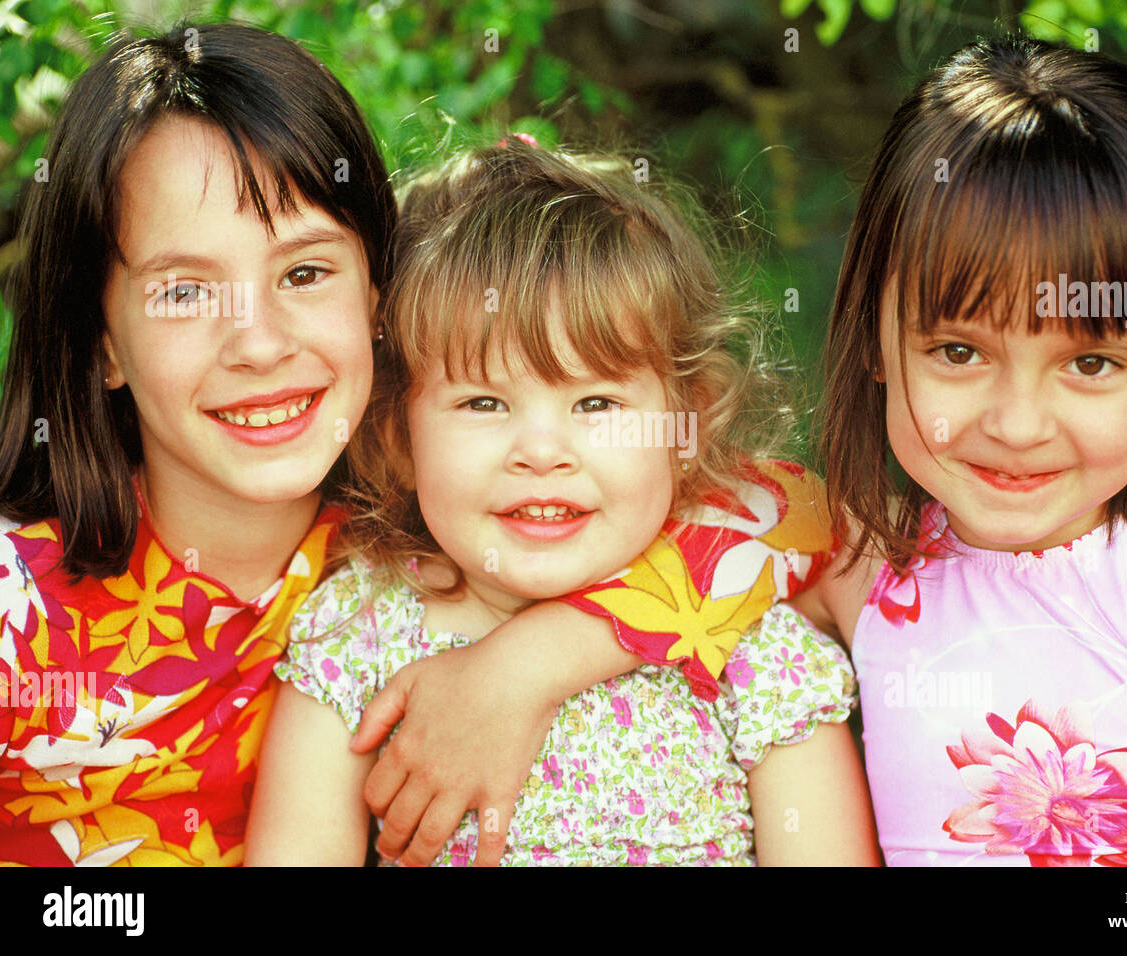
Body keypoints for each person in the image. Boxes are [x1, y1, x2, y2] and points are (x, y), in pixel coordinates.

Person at [0, 22, 832, 866]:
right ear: (99, 337)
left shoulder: (418, 528)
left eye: (304, 273)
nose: (257, 343)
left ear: (377, 301)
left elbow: (797, 510)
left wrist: (524, 668)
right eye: (183, 291)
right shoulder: (13, 613)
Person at [245, 142, 878, 865]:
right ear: (397, 437)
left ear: (685, 425)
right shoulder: (358, 636)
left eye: (596, 402)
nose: (541, 451)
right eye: (484, 402)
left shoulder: (754, 654)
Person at [795, 35, 1127, 865]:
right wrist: (529, 669)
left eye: (1090, 363)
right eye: (958, 352)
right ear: (875, 338)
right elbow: (679, 579)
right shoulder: (856, 564)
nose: (1019, 425)